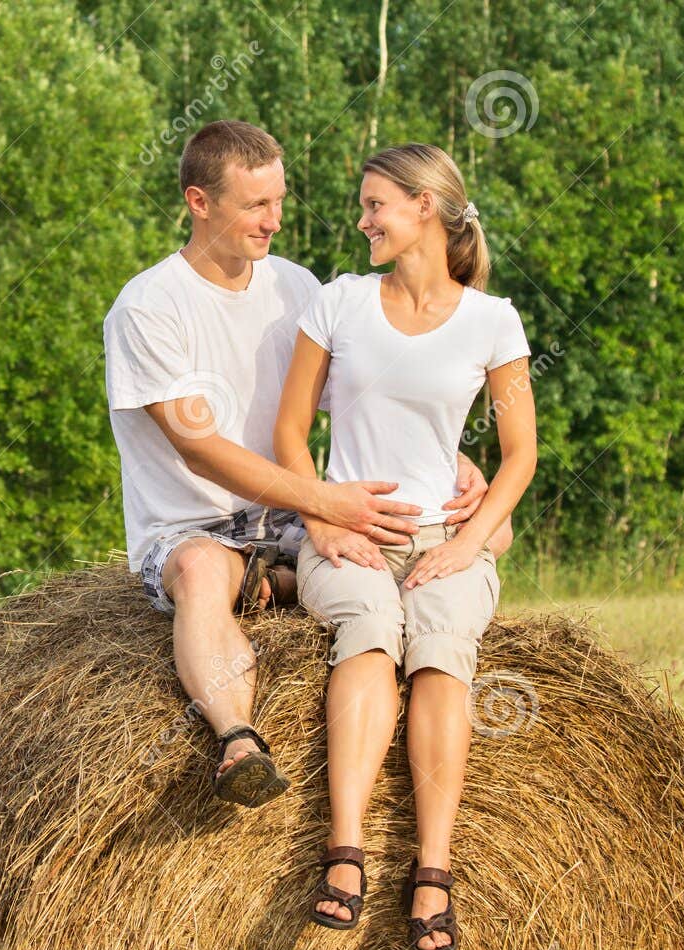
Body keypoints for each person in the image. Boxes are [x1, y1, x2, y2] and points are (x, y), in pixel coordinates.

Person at [103, 121, 506, 809]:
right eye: (256, 205)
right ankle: (238, 740)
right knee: (204, 570)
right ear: (200, 203)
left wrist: (452, 460)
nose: (275, 220)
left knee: (486, 535)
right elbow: (201, 448)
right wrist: (326, 502)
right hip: (194, 526)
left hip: (295, 519)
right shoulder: (147, 307)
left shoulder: (296, 288)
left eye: (279, 200)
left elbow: (360, 397)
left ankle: (281, 584)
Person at [273, 143, 536, 950]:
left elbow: (521, 453)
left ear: (425, 206)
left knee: (443, 646)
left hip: (440, 540)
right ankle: (344, 853)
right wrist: (319, 521)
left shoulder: (494, 322)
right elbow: (289, 430)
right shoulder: (339, 303)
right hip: (347, 529)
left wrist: (467, 543)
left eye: (375, 205)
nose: (363, 221)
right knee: (368, 621)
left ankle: (432, 869)